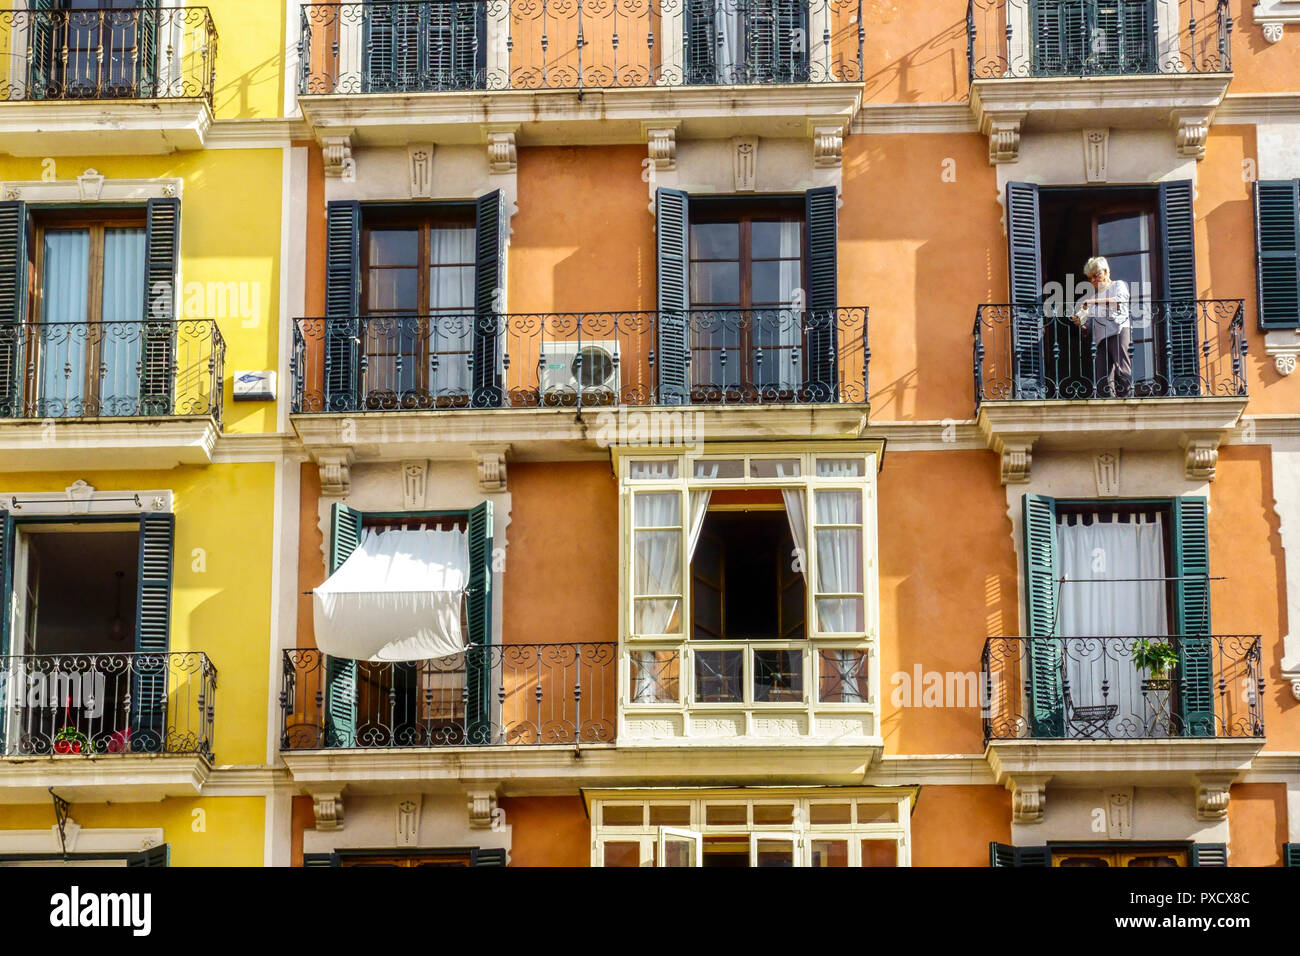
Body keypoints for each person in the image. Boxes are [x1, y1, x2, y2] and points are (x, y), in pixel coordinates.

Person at [1071, 256, 1131, 397]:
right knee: (1103, 377)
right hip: (1100, 338)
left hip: (1118, 330)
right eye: (1090, 278)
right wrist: (1082, 325)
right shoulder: (1094, 298)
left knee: (1122, 369)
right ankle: (1109, 404)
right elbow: (1090, 326)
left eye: (1096, 275)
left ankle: (1128, 400)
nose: (1093, 280)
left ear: (1106, 272)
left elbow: (1119, 302)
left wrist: (1093, 302)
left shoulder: (1118, 285)